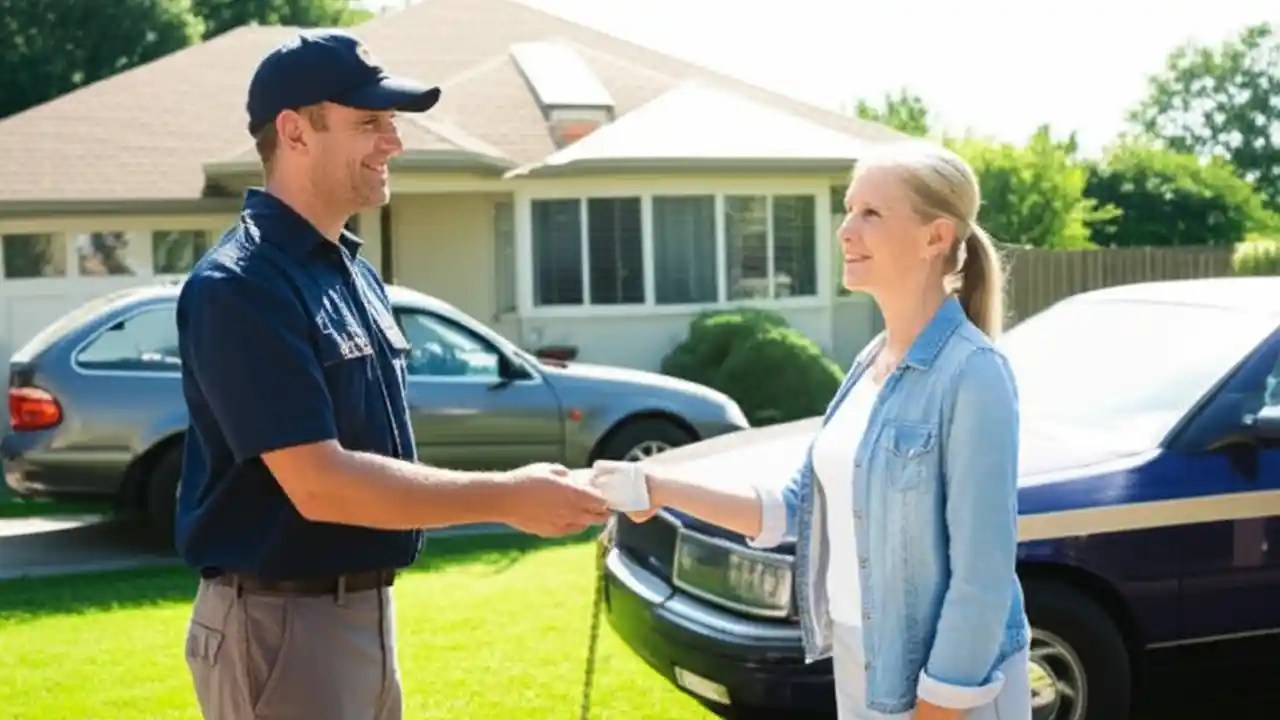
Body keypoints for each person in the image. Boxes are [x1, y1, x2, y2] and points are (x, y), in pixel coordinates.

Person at [176, 29, 610, 720]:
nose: (394, 143)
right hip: (282, 627)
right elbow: (318, 484)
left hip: (359, 617)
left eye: (392, 123)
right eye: (369, 123)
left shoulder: (347, 271)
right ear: (294, 132)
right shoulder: (242, 285)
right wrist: (506, 496)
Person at [596, 141, 1031, 719]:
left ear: (936, 237)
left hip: (947, 687)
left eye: (872, 213)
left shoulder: (973, 374)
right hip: (862, 663)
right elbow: (794, 509)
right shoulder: (869, 363)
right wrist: (659, 488)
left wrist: (938, 707)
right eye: (849, 209)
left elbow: (983, 574)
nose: (846, 230)